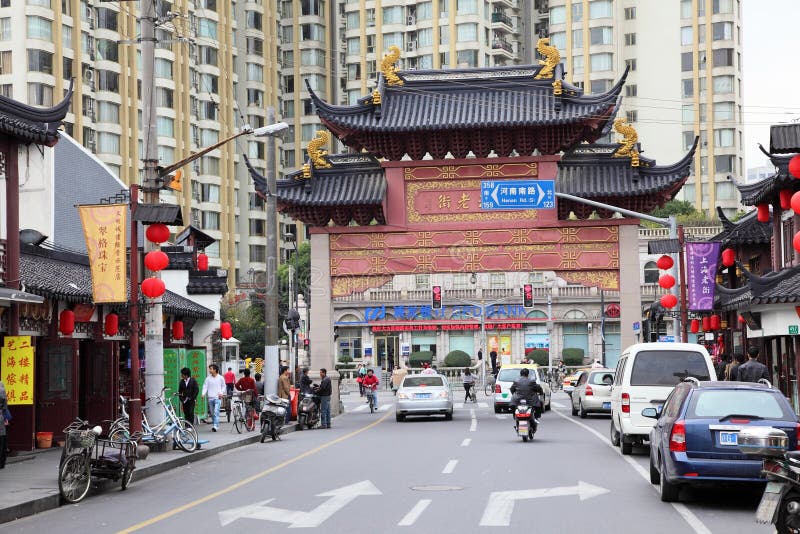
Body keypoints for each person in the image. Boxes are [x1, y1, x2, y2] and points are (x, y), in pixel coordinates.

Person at [201, 364, 226, 432]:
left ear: (215, 370)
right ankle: (215, 424)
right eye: (209, 369)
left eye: (211, 369)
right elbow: (205, 386)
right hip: (210, 398)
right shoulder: (208, 378)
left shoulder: (220, 378)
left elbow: (224, 386)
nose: (210, 370)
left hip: (218, 397)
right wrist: (203, 394)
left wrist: (221, 393)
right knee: (212, 413)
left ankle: (215, 426)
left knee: (216, 412)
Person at [0, 380, 8, 469]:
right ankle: (1, 463)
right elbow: (5, 405)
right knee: (1, 440)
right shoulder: (1, 387)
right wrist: (5, 417)